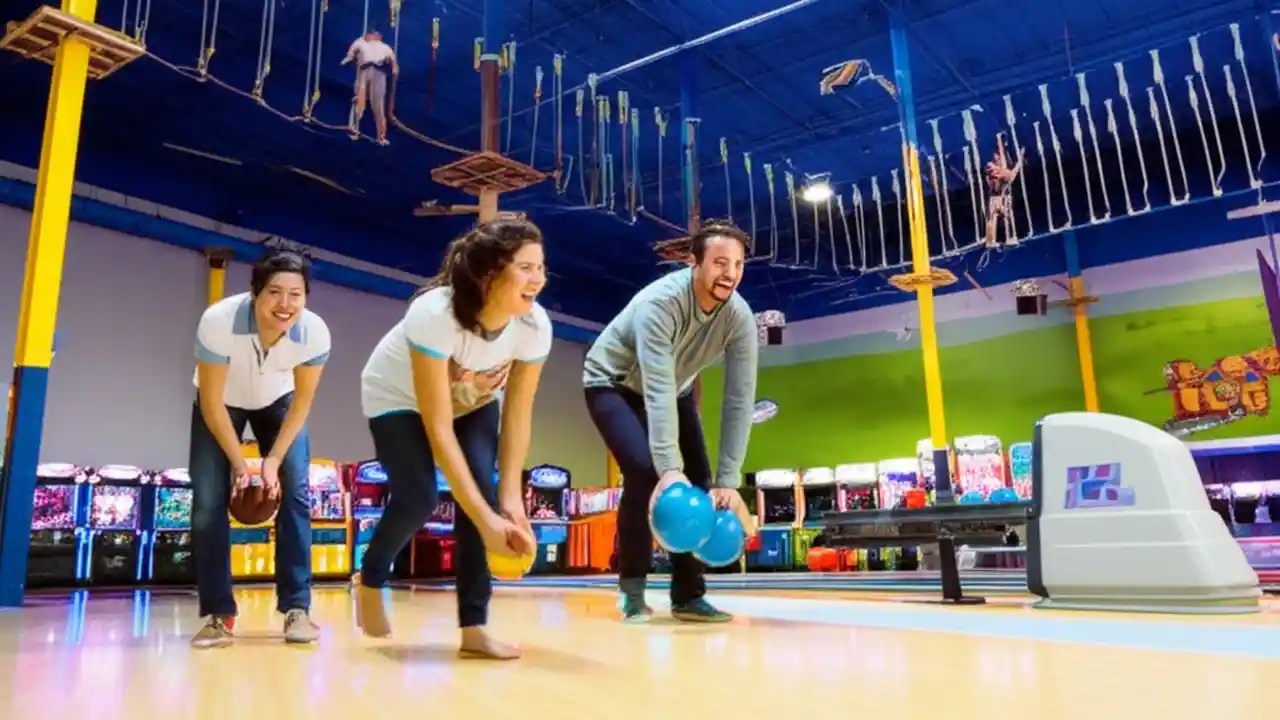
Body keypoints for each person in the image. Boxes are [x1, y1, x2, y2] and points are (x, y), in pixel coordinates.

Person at [354, 217, 548, 659]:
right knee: (419, 496)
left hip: (475, 403)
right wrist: (484, 520)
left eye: (541, 268)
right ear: (490, 273)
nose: (538, 279)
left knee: (484, 487)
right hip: (397, 398)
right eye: (526, 267)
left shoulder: (534, 327)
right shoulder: (435, 314)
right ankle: (370, 577)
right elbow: (438, 426)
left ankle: (475, 628)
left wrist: (510, 504)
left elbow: (518, 416)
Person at [583, 219, 759, 624]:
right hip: (613, 383)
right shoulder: (660, 304)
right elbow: (656, 387)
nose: (729, 273)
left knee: (700, 478)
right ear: (693, 263)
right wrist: (668, 468)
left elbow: (739, 399)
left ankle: (688, 596)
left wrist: (728, 481)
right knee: (646, 474)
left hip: (674, 390)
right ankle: (631, 593)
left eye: (737, 264)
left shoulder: (739, 318)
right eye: (719, 262)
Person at [188, 250, 332, 648]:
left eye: (296, 294)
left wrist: (272, 461)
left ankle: (296, 609)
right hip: (219, 404)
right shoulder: (219, 322)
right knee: (207, 500)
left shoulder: (315, 332)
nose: (285, 305)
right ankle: (219, 614)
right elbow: (213, 403)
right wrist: (240, 464)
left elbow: (302, 402)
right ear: (254, 293)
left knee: (297, 492)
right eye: (274, 293)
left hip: (279, 400)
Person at [341, 29, 398, 145]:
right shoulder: (360, 42)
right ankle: (355, 129)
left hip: (379, 73)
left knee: (378, 105)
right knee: (360, 101)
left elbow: (393, 62)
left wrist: (394, 72)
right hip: (364, 71)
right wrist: (348, 60)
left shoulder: (385, 47)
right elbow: (350, 55)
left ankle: (381, 136)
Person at [984, 134, 1021, 248]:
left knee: (993, 218)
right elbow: (1004, 163)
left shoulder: (992, 175)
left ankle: (991, 240)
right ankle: (1008, 237)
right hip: (1002, 197)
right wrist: (999, 141)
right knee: (1006, 217)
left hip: (996, 197)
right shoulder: (1000, 172)